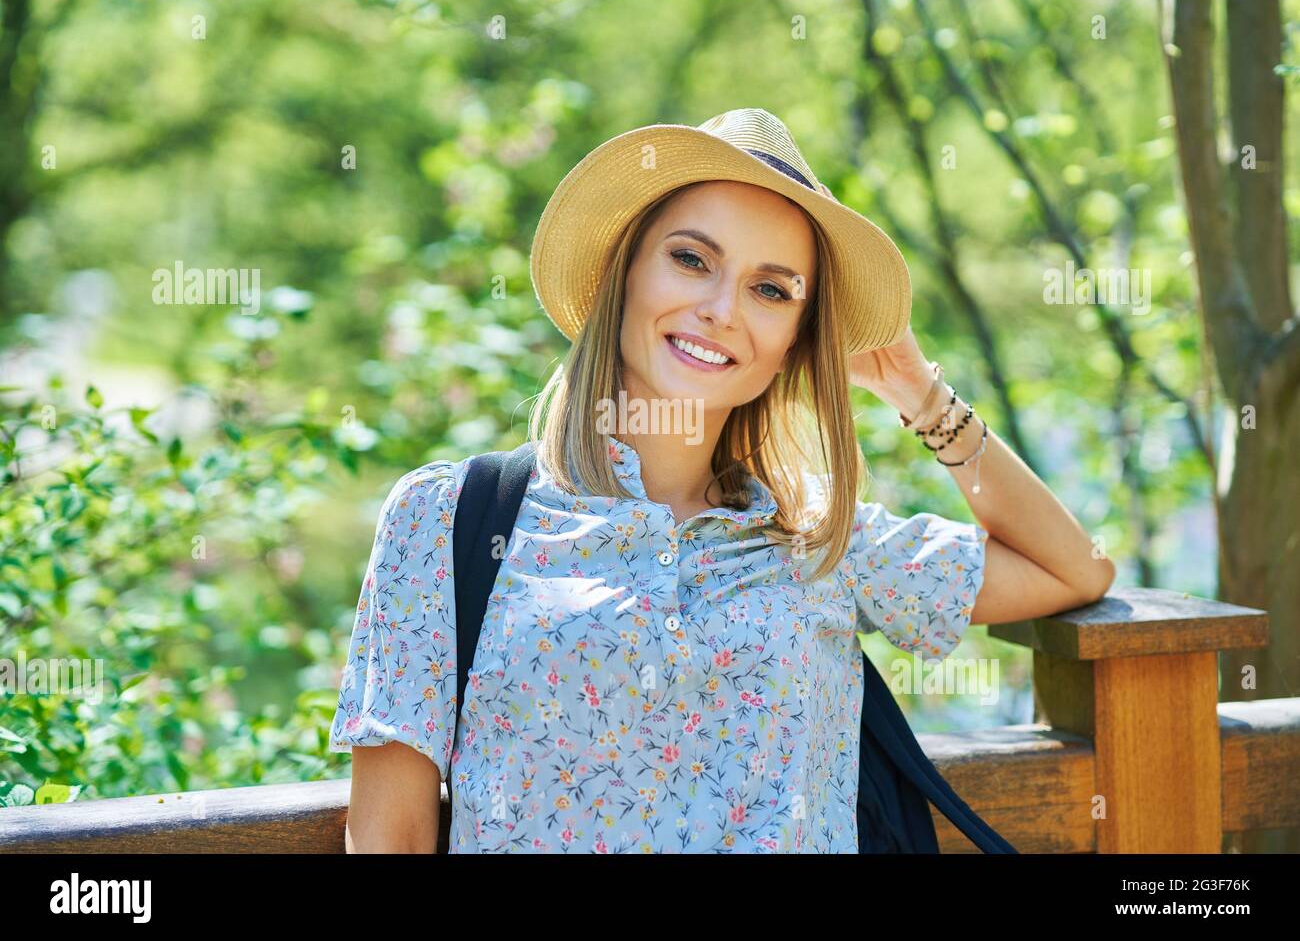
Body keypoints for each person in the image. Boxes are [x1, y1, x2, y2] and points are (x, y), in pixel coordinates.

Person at [330, 108, 1115, 853]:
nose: (720, 309)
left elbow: (1070, 568)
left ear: (792, 345)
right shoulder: (450, 520)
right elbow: (390, 837)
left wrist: (919, 391)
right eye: (691, 259)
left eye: (771, 290)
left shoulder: (816, 536)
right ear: (622, 272)